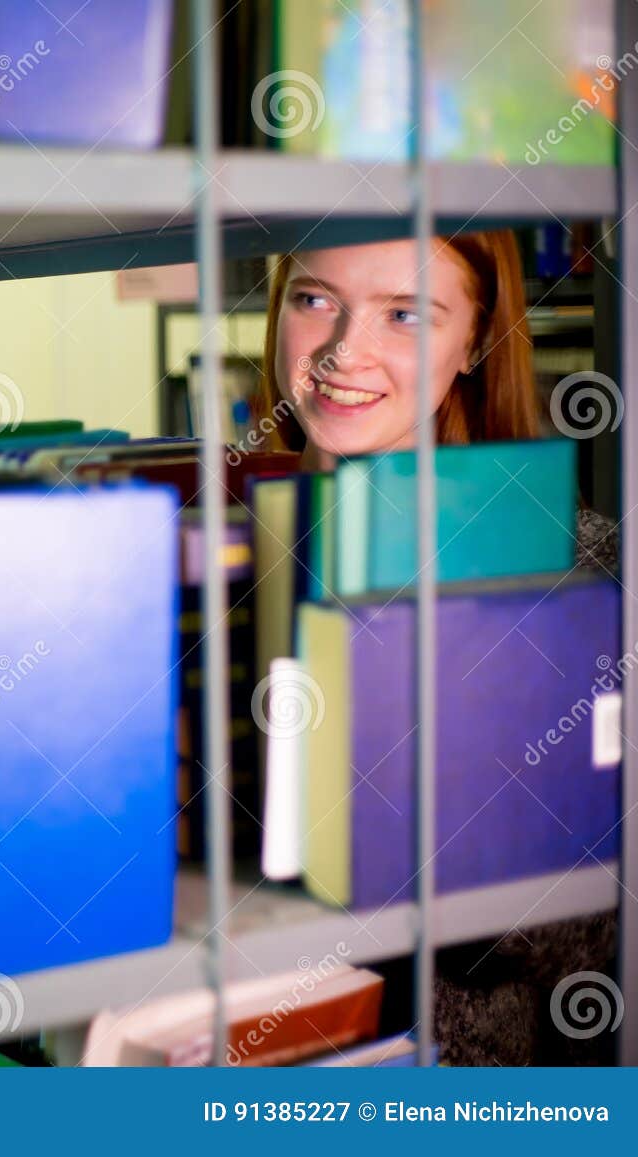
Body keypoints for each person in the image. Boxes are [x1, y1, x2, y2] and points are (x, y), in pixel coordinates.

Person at [258, 231, 617, 1064]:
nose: (345, 350)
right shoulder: (219, 547)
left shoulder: (573, 568)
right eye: (314, 299)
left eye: (407, 314)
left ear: (474, 344)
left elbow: (589, 934)